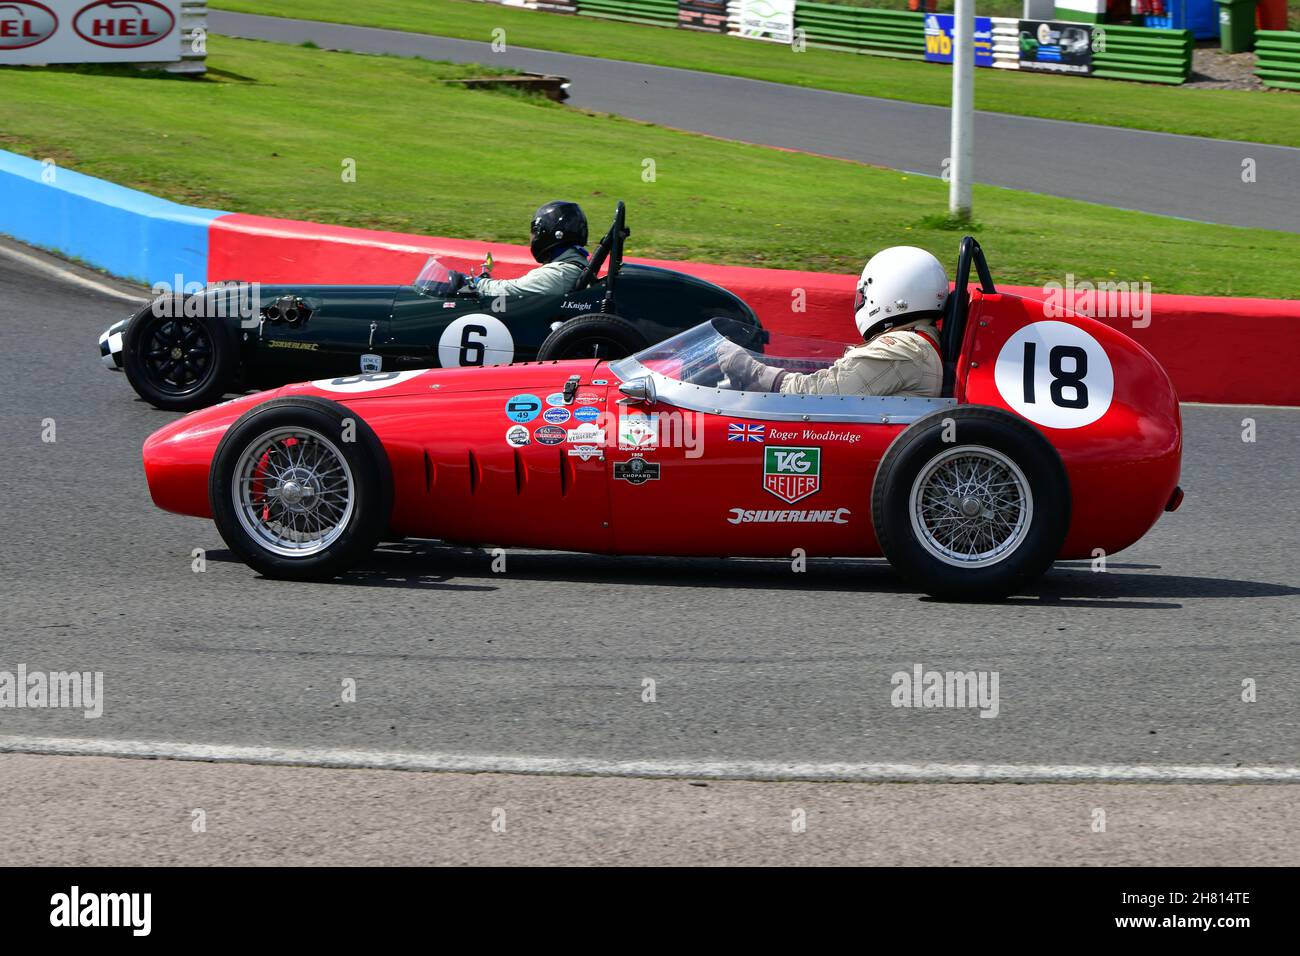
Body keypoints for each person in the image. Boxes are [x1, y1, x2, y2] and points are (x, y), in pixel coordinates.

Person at [717, 246, 948, 397]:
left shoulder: (904, 349)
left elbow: (822, 394)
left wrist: (751, 370)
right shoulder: (916, 342)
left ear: (892, 292)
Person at [453, 201, 590, 298]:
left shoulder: (560, 273)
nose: (532, 237)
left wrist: (475, 283)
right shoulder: (576, 266)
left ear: (550, 234)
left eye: (535, 232)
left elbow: (512, 289)